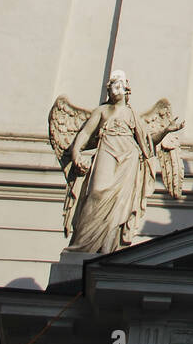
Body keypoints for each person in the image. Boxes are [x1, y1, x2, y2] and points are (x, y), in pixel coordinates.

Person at [66, 71, 183, 253]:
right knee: (97, 193)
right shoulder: (102, 111)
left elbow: (147, 142)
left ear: (127, 89)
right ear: (109, 89)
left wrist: (166, 130)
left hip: (128, 158)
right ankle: (83, 244)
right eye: (113, 85)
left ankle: (108, 247)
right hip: (106, 150)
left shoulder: (132, 115)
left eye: (120, 85)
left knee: (120, 204)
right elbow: (85, 133)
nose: (116, 89)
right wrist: (75, 152)